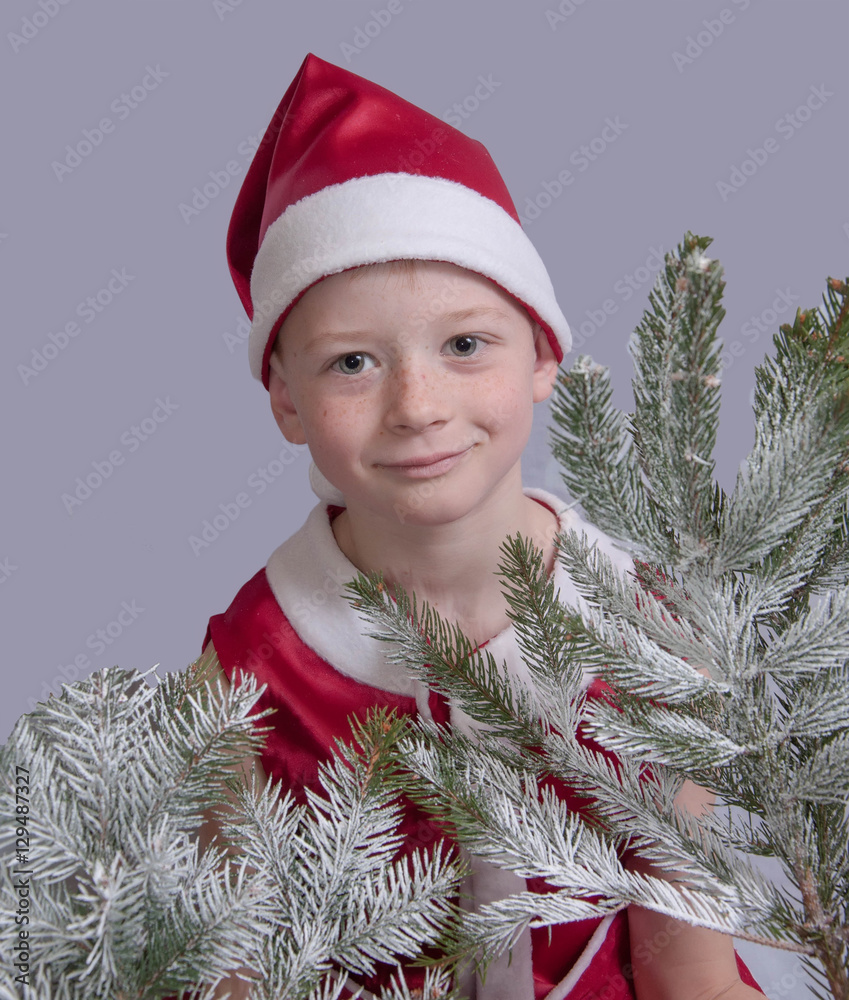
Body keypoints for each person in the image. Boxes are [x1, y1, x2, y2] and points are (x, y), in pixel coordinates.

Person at [187, 53, 765, 1000]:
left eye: (465, 345)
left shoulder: (645, 631)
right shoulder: (250, 674)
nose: (417, 405)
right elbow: (233, 974)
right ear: (285, 401)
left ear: (541, 355)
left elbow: (686, 966)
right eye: (351, 364)